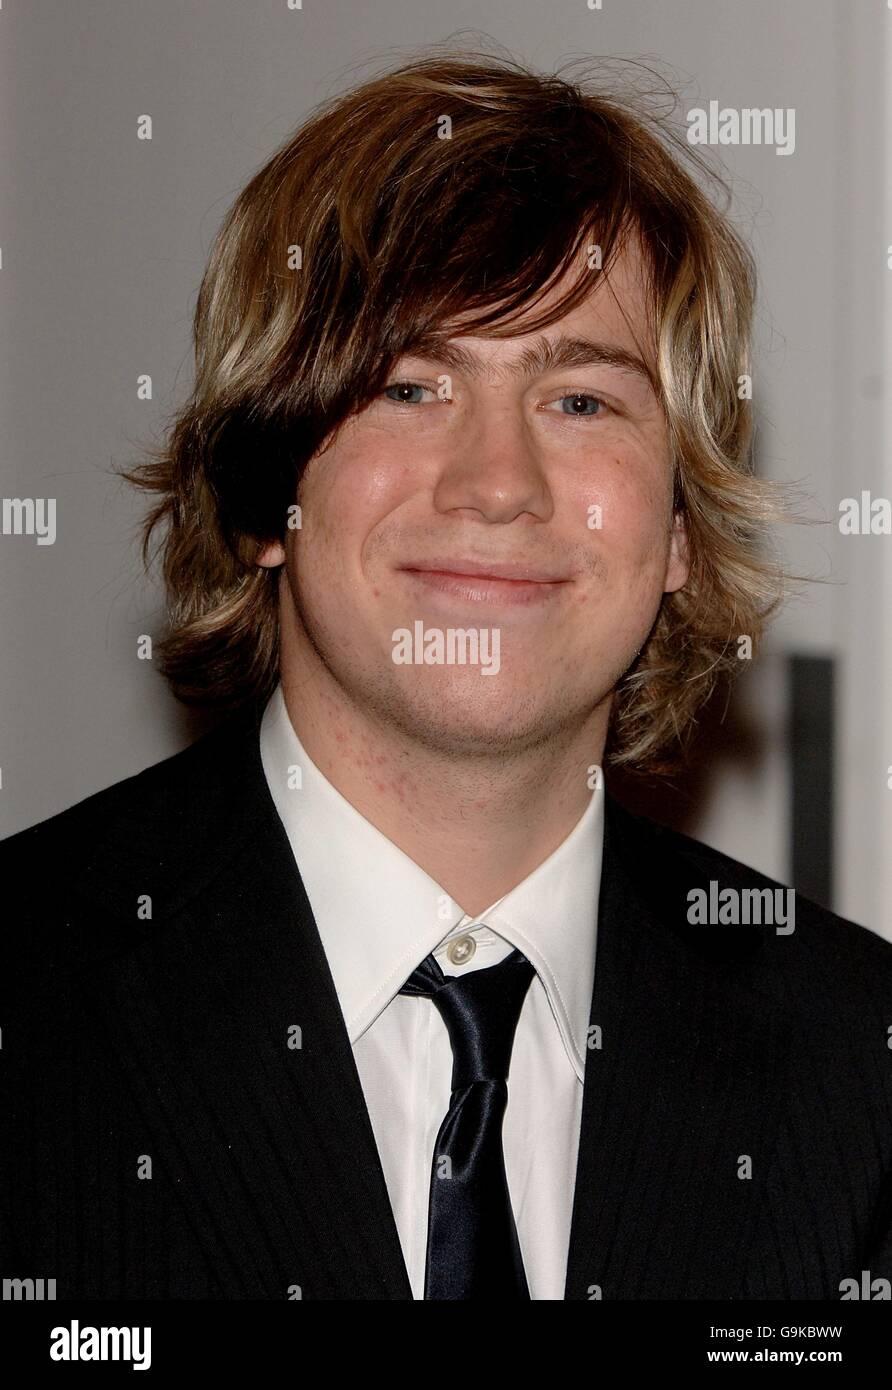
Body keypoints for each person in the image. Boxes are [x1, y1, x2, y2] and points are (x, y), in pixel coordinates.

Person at [2, 50, 891, 1302]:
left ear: (679, 528)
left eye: (581, 400)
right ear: (266, 494)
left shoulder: (861, 1066)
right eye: (409, 386)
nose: (497, 483)